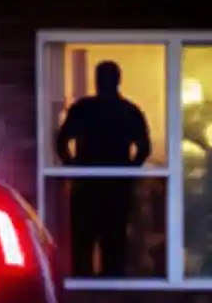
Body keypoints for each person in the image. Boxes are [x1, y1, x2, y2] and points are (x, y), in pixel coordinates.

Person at [55, 60, 152, 277]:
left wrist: (73, 166)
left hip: (90, 187)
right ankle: (110, 284)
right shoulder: (128, 111)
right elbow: (144, 149)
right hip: (110, 188)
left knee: (88, 242)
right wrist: (129, 171)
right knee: (111, 242)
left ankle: (88, 283)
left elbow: (62, 141)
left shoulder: (84, 109)